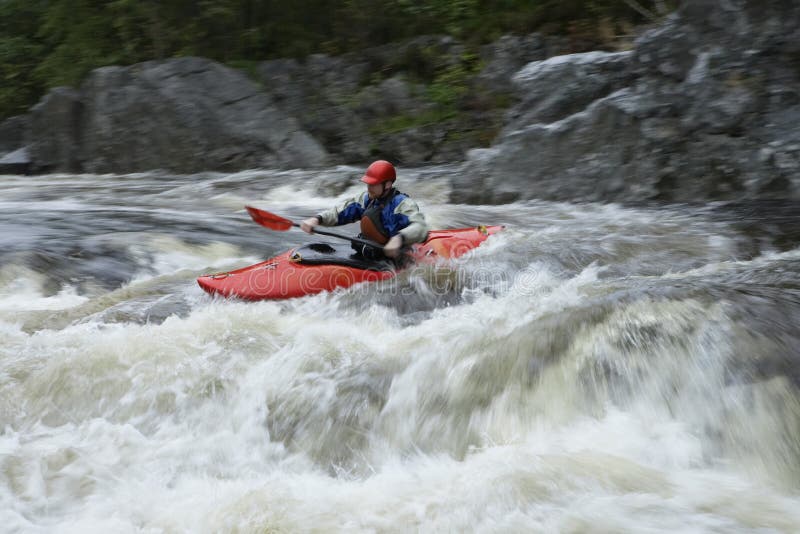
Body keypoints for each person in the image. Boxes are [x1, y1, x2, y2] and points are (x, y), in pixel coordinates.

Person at [300, 160, 429, 259]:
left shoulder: (403, 204)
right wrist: (316, 219)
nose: (369, 187)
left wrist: (399, 238)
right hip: (373, 250)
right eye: (368, 184)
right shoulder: (367, 199)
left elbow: (420, 227)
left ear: (388, 184)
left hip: (397, 255)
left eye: (373, 184)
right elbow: (340, 212)